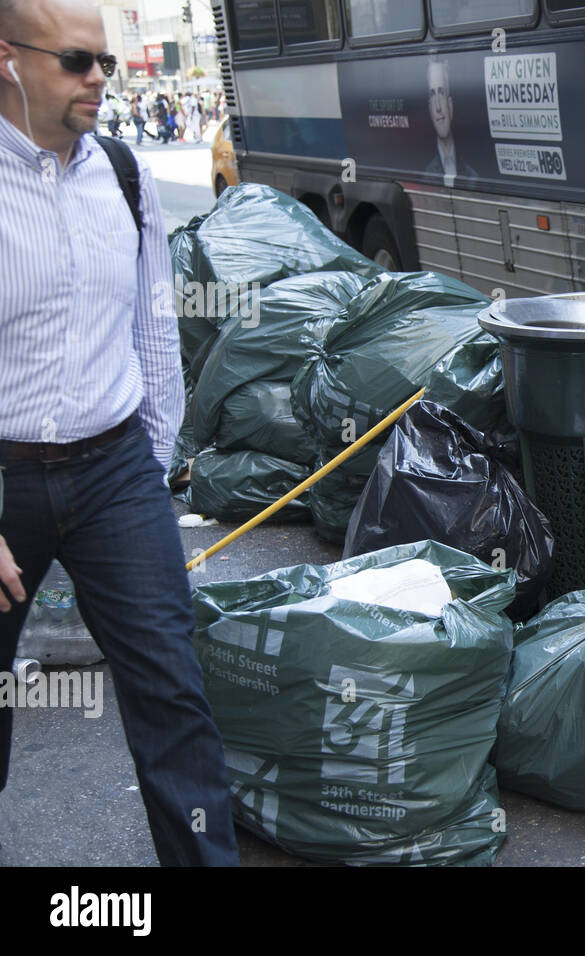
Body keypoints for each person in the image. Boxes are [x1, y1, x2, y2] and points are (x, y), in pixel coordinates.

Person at [0, 0, 239, 865]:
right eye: (76, 60)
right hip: (2, 481)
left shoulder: (123, 173)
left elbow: (153, 328)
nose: (101, 77)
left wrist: (151, 467)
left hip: (114, 473)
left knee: (175, 700)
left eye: (104, 61)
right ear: (8, 58)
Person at [424, 57, 475, 184]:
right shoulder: (426, 175)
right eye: (432, 94)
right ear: (429, 108)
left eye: (441, 93)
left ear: (450, 104)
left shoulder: (472, 174)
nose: (438, 107)